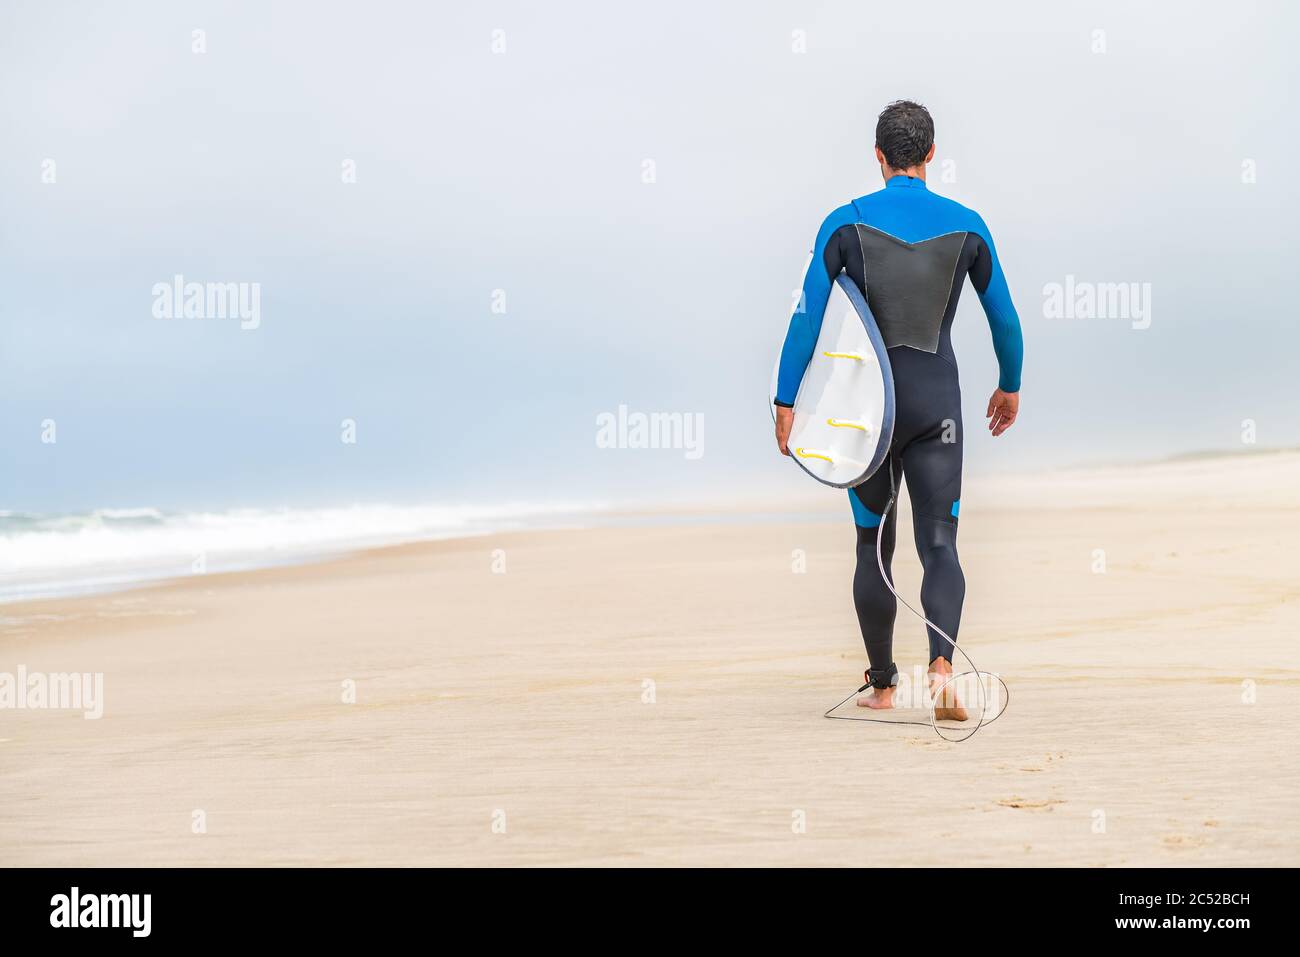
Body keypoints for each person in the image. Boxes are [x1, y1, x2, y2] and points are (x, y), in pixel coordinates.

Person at [773, 100, 1023, 719]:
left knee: (872, 544)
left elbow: (805, 319)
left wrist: (785, 398)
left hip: (869, 418)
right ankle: (940, 666)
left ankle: (882, 685)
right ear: (932, 154)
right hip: (938, 404)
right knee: (940, 543)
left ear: (879, 157)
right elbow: (1006, 320)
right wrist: (1009, 385)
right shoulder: (968, 225)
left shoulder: (845, 224)